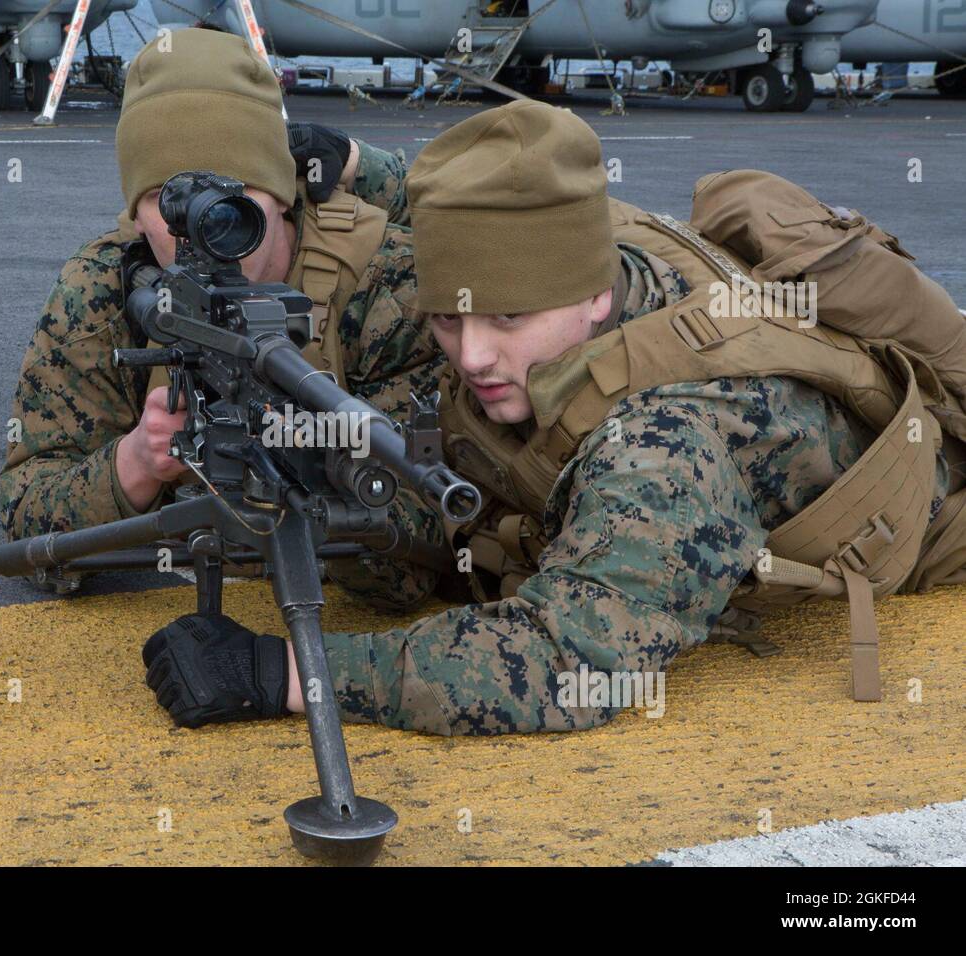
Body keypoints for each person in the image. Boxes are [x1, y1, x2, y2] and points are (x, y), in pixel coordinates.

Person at [143, 100, 966, 735]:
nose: (470, 357)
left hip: (930, 527)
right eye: (448, 319)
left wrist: (286, 672)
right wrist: (358, 165)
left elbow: (567, 664)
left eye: (507, 320)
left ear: (595, 296)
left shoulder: (666, 446)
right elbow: (506, 187)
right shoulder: (580, 247)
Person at [0, 28, 444, 607]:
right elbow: (26, 517)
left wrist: (315, 466)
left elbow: (424, 558)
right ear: (134, 214)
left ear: (284, 193)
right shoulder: (103, 286)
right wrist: (135, 463)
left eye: (234, 198)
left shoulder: (383, 284)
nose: (205, 232)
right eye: (170, 199)